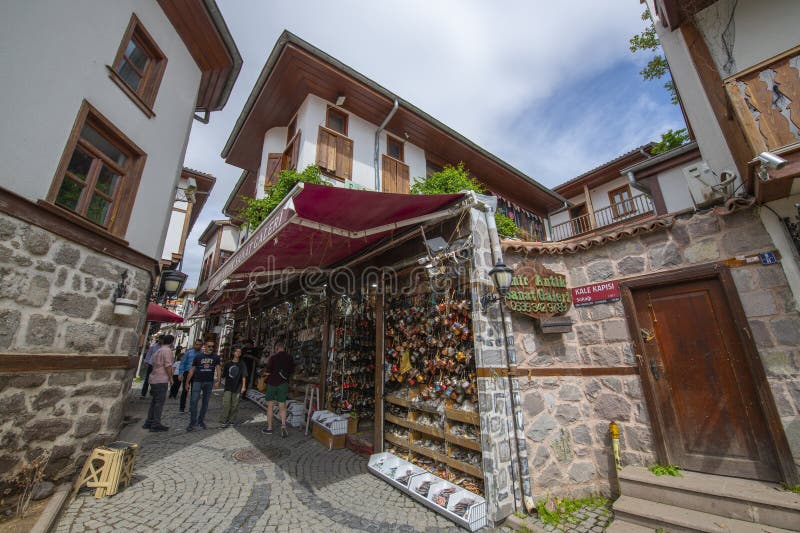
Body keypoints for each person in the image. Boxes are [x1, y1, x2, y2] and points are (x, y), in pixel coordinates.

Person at [186, 340, 220, 431]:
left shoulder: (216, 357)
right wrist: (187, 382)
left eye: (212, 347)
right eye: (209, 346)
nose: (211, 348)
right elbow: (192, 369)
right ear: (205, 346)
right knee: (193, 401)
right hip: (197, 381)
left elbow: (218, 368)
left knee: (205, 402)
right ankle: (192, 422)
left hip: (209, 382)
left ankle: (200, 421)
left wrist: (218, 380)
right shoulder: (198, 356)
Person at [261, 340, 294, 437]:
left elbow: (269, 369)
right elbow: (292, 370)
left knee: (270, 405)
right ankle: (283, 426)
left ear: (277, 348)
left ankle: (270, 428)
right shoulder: (290, 357)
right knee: (282, 405)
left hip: (272, 383)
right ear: (284, 348)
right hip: (283, 383)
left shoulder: (273, 357)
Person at [143, 334, 174, 432]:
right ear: (171, 342)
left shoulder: (158, 350)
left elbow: (152, 363)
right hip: (161, 379)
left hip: (154, 378)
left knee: (154, 401)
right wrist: (171, 378)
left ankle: (149, 421)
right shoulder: (167, 351)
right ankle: (156, 424)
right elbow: (168, 366)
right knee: (159, 403)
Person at [220, 348, 248, 427]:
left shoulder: (242, 364)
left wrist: (243, 386)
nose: (238, 353)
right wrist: (219, 381)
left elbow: (244, 376)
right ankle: (224, 420)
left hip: (237, 387)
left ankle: (232, 420)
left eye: (240, 352)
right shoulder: (228, 363)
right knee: (226, 404)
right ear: (233, 352)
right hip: (228, 387)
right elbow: (224, 375)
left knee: (235, 405)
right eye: (237, 351)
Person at [178, 339, 203, 412]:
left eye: (199, 345)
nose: (198, 346)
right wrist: (180, 373)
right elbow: (183, 363)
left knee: (194, 392)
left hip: (197, 374)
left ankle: (191, 408)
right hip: (187, 372)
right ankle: (182, 408)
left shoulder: (202, 354)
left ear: (201, 346)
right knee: (185, 391)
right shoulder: (188, 353)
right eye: (197, 344)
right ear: (194, 344)